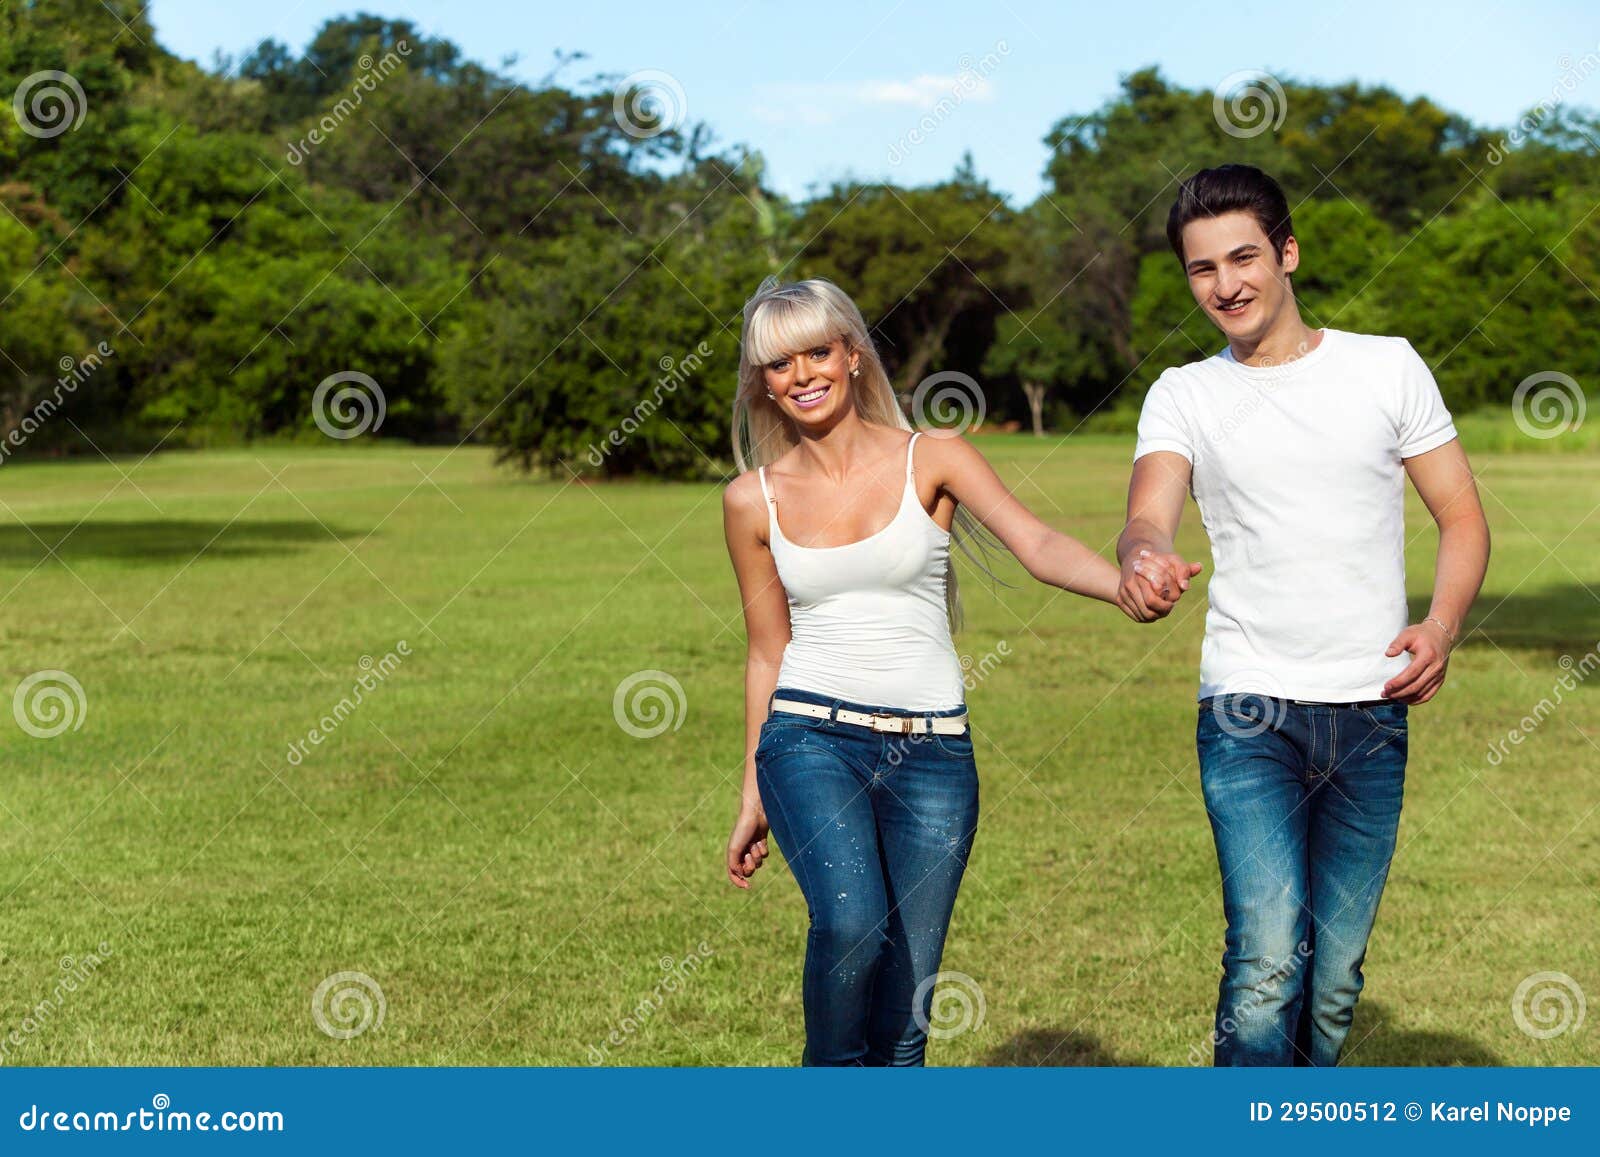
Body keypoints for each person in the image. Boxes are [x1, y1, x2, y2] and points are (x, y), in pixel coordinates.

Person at [722, 276, 1178, 1066]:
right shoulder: (750, 499)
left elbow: (1035, 543)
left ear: (854, 355)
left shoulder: (934, 457)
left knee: (905, 1013)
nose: (801, 375)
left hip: (933, 756)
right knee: (851, 921)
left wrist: (1123, 586)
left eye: (817, 351)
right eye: (778, 362)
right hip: (808, 740)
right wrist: (753, 788)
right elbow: (768, 648)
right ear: (762, 381)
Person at [1119, 164, 1491, 1066]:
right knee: (1266, 962)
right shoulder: (1185, 393)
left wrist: (1438, 626)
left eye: (1243, 257)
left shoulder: (1386, 365)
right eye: (1203, 269)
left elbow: (1463, 519)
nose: (1227, 285)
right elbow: (1148, 507)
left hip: (1372, 712)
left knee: (1332, 986)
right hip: (1249, 711)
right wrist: (1141, 553)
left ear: (1287, 253)